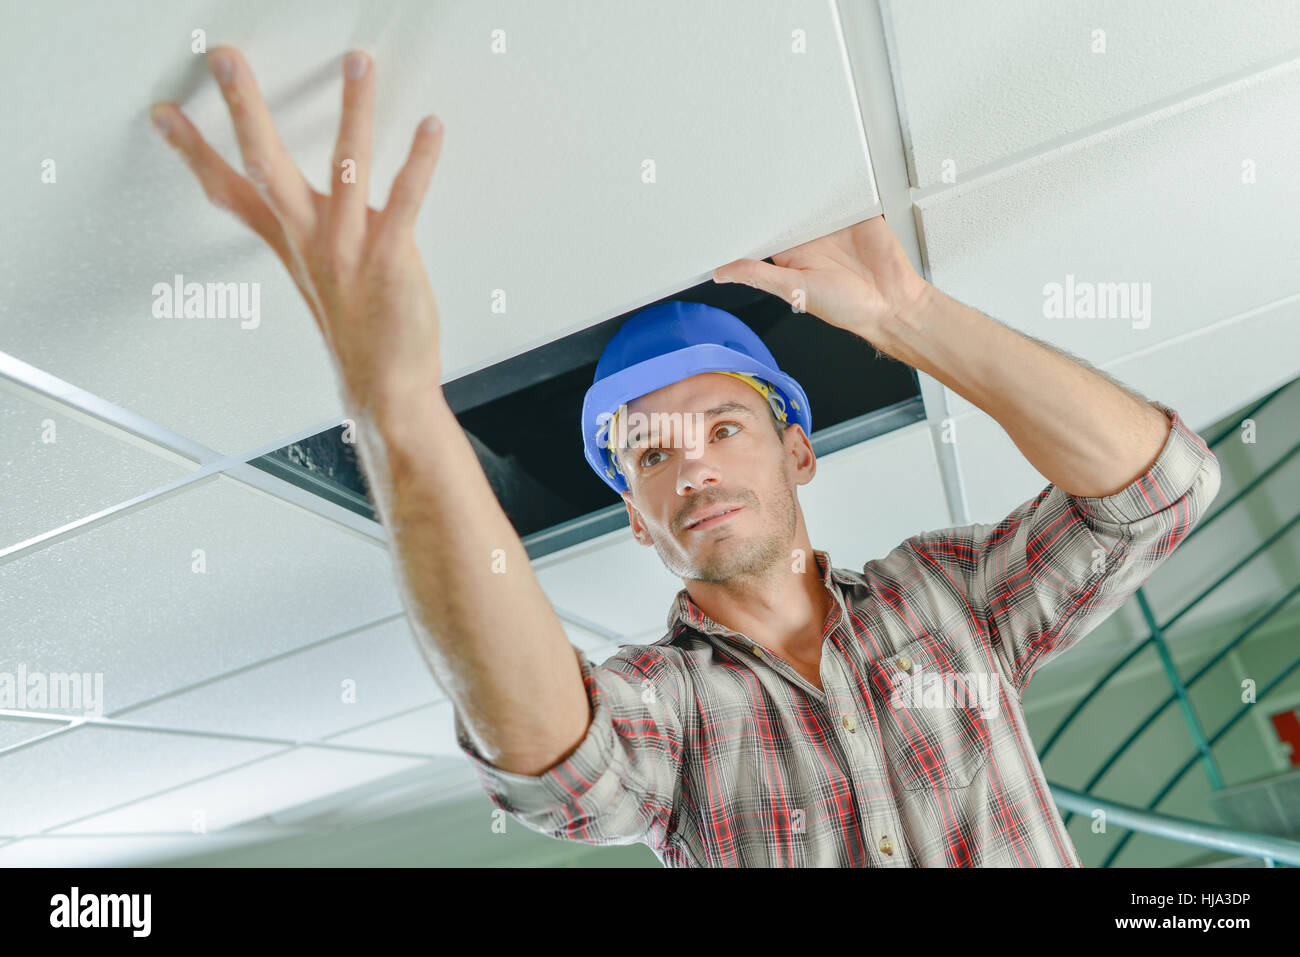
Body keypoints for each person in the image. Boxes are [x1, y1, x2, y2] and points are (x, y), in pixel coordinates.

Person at [151, 46, 1222, 867]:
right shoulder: (668, 715)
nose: (693, 468)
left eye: (723, 430)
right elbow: (553, 764)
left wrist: (906, 313)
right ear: (634, 515)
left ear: (797, 454)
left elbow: (1156, 489)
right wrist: (398, 414)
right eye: (651, 458)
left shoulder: (951, 602)